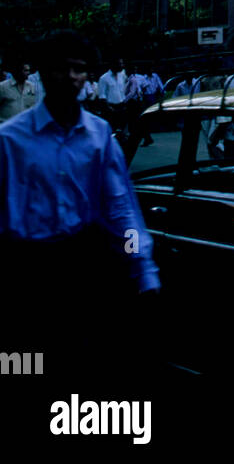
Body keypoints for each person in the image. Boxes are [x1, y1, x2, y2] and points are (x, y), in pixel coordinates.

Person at [0, 31, 160, 377]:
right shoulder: (10, 139)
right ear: (43, 72)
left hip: (81, 266)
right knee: (23, 366)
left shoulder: (100, 135)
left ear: (88, 76)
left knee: (76, 364)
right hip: (25, 270)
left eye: (79, 69)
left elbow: (121, 209)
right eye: (61, 68)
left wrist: (143, 269)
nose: (71, 77)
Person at [96, 57, 128, 131]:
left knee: (122, 130)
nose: (122, 65)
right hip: (111, 109)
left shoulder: (122, 76)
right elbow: (102, 96)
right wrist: (110, 109)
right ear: (113, 65)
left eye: (122, 63)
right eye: (120, 64)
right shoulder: (104, 78)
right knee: (112, 130)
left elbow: (122, 91)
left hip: (122, 107)